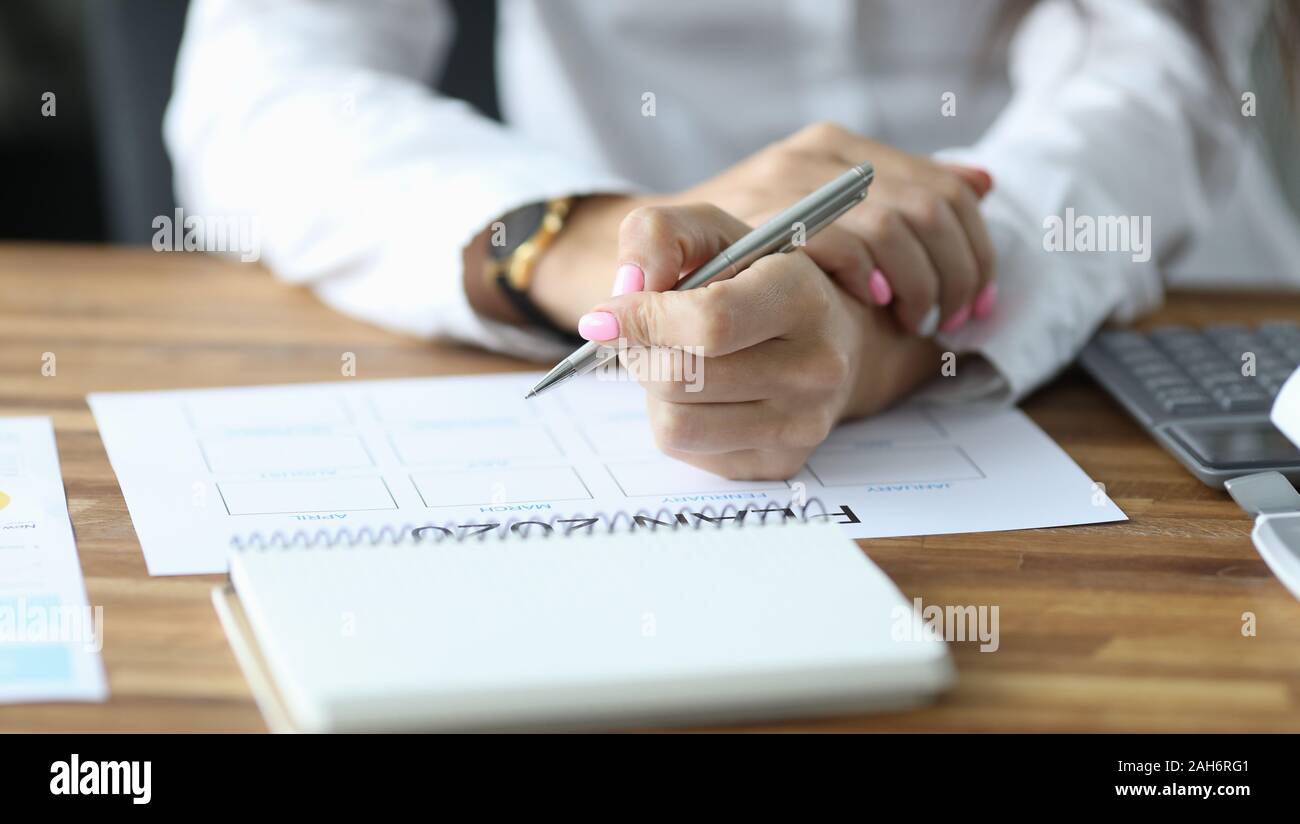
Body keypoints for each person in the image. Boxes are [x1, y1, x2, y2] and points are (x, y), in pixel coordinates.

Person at [165, 0, 1297, 479]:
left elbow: (1161, 59)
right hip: (643, 339)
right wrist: (585, 241)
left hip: (1135, 329)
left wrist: (896, 310)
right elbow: (264, 85)